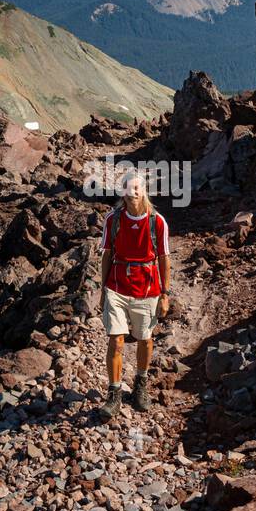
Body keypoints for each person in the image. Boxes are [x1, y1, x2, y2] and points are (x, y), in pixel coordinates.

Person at [97, 171, 170, 421]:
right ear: (123, 192)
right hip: (117, 285)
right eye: (128, 188)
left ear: (144, 190)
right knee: (116, 340)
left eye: (137, 188)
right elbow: (107, 254)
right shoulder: (113, 220)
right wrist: (102, 288)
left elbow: (163, 258)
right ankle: (114, 393)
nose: (133, 192)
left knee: (145, 339)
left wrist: (165, 294)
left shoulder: (157, 222)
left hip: (147, 288)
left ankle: (141, 382)